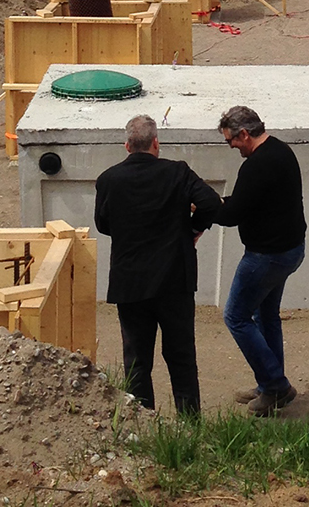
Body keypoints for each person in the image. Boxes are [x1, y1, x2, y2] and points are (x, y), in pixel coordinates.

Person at [93, 113, 222, 416]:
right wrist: (193, 229)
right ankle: (189, 423)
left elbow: (103, 224)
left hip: (130, 283)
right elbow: (212, 204)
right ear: (155, 143)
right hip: (174, 279)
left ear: (126, 146)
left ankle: (143, 423)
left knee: (137, 359)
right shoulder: (178, 173)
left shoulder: (108, 179)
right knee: (181, 355)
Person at [202, 105, 307, 415]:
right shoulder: (282, 151)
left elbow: (233, 214)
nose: (232, 146)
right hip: (290, 250)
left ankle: (276, 385)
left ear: (244, 134)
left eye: (231, 141)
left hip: (266, 256)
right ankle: (269, 384)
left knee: (236, 317)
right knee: (266, 317)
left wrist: (203, 208)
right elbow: (250, 202)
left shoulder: (256, 166)